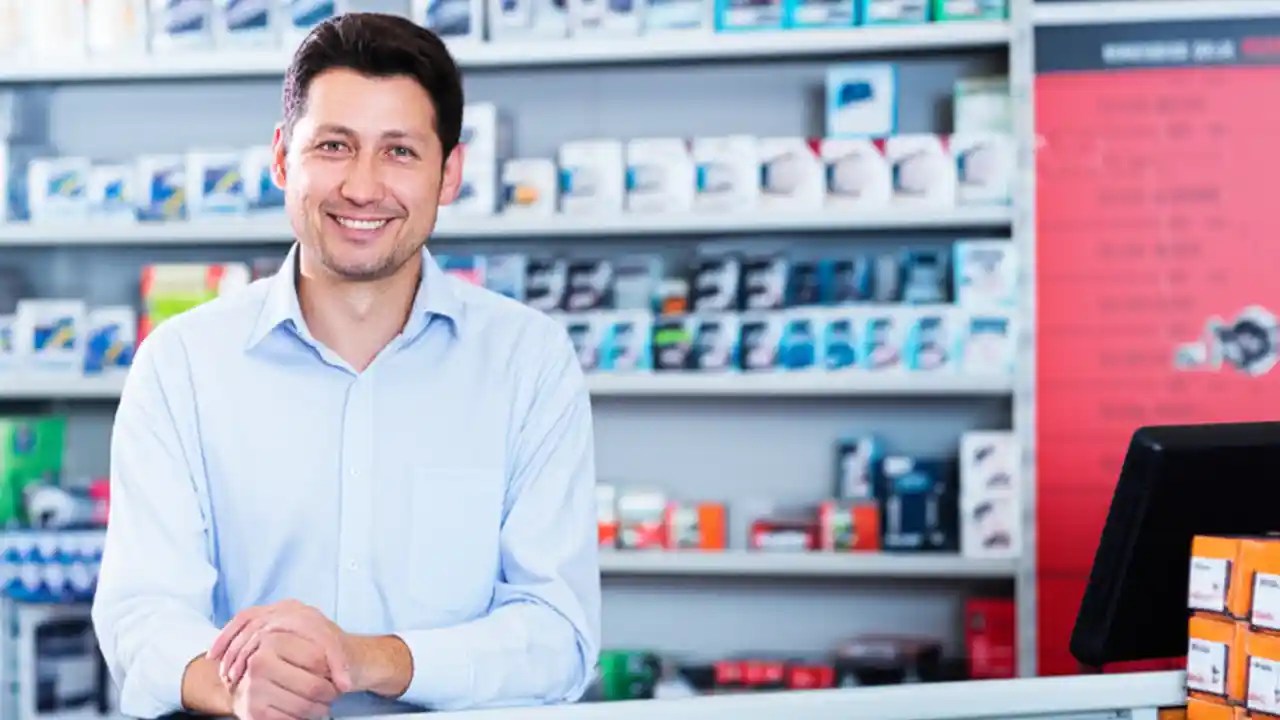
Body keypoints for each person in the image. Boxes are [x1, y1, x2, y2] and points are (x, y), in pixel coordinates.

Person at [91, 13, 601, 720]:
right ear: (281, 158)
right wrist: (237, 687)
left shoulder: (528, 364)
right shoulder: (182, 365)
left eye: (399, 152)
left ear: (449, 173)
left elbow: (559, 634)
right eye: (334, 146)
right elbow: (141, 613)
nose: (362, 188)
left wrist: (367, 657)